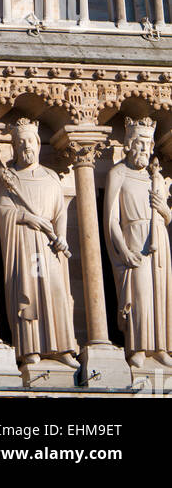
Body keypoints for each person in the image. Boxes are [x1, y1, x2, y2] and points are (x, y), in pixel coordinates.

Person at [0, 118, 78, 368]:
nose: (26, 146)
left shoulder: (51, 176)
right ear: (15, 147)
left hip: (48, 248)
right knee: (30, 290)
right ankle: (31, 348)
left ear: (38, 144)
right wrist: (27, 217)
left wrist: (61, 235)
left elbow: (60, 212)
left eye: (29, 141)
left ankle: (63, 348)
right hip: (27, 247)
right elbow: (3, 212)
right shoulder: (11, 179)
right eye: (20, 142)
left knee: (56, 292)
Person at [104, 115, 172, 368]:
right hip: (133, 239)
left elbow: (168, 216)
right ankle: (138, 346)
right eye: (139, 143)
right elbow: (111, 218)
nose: (144, 149)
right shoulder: (117, 173)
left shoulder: (155, 178)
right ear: (129, 145)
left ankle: (161, 347)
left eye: (148, 144)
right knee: (141, 294)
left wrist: (164, 210)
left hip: (158, 238)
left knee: (161, 293)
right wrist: (123, 250)